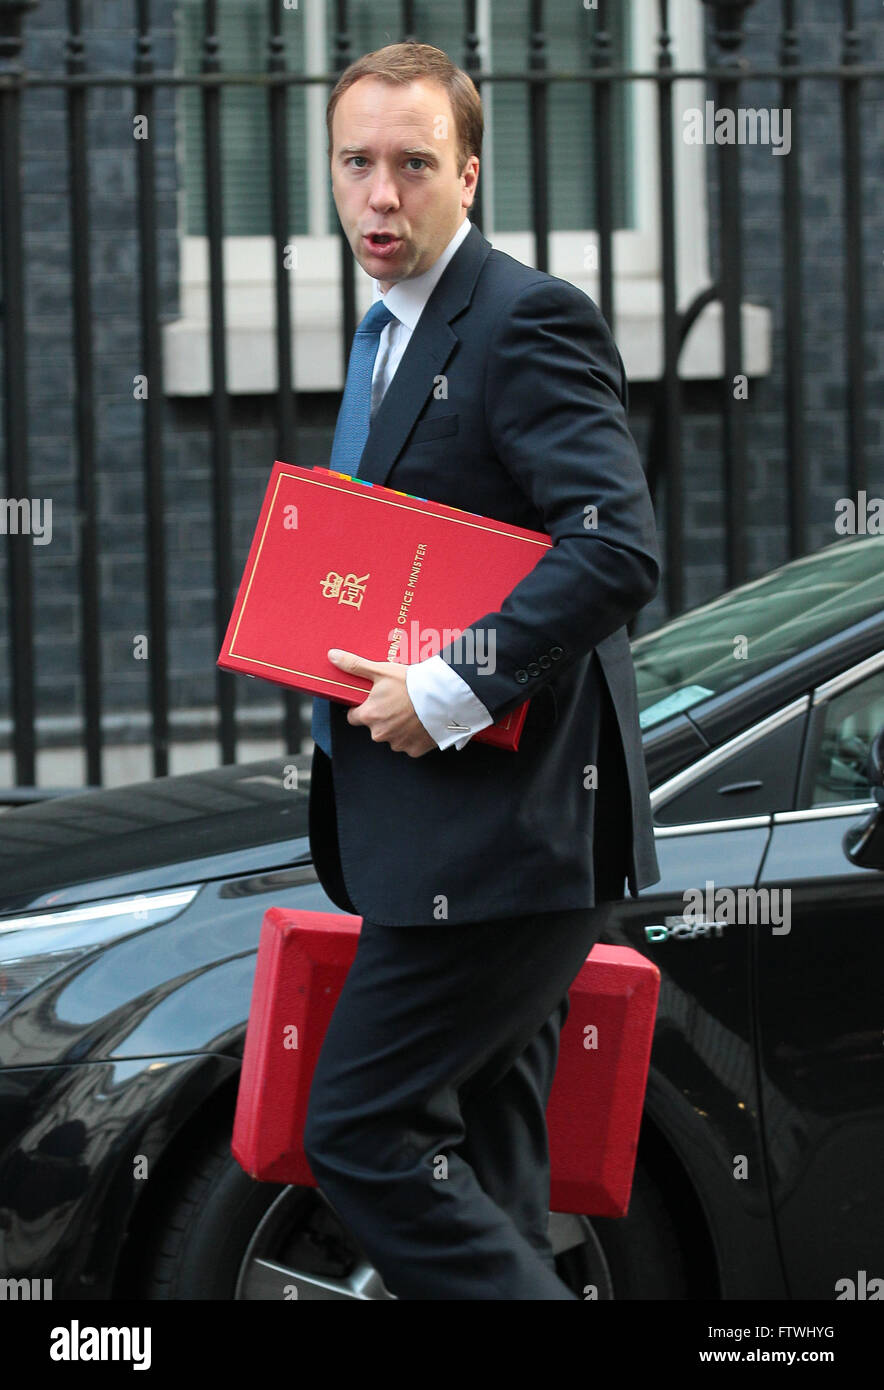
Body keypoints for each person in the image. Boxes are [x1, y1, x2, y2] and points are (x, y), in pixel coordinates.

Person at [302, 41, 661, 1300]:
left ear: (467, 173)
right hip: (456, 836)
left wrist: (447, 688)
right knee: (488, 1159)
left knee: (357, 1131)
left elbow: (615, 545)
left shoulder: (520, 317)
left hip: (509, 836)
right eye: (355, 164)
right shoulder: (387, 328)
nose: (379, 196)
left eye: (410, 165)